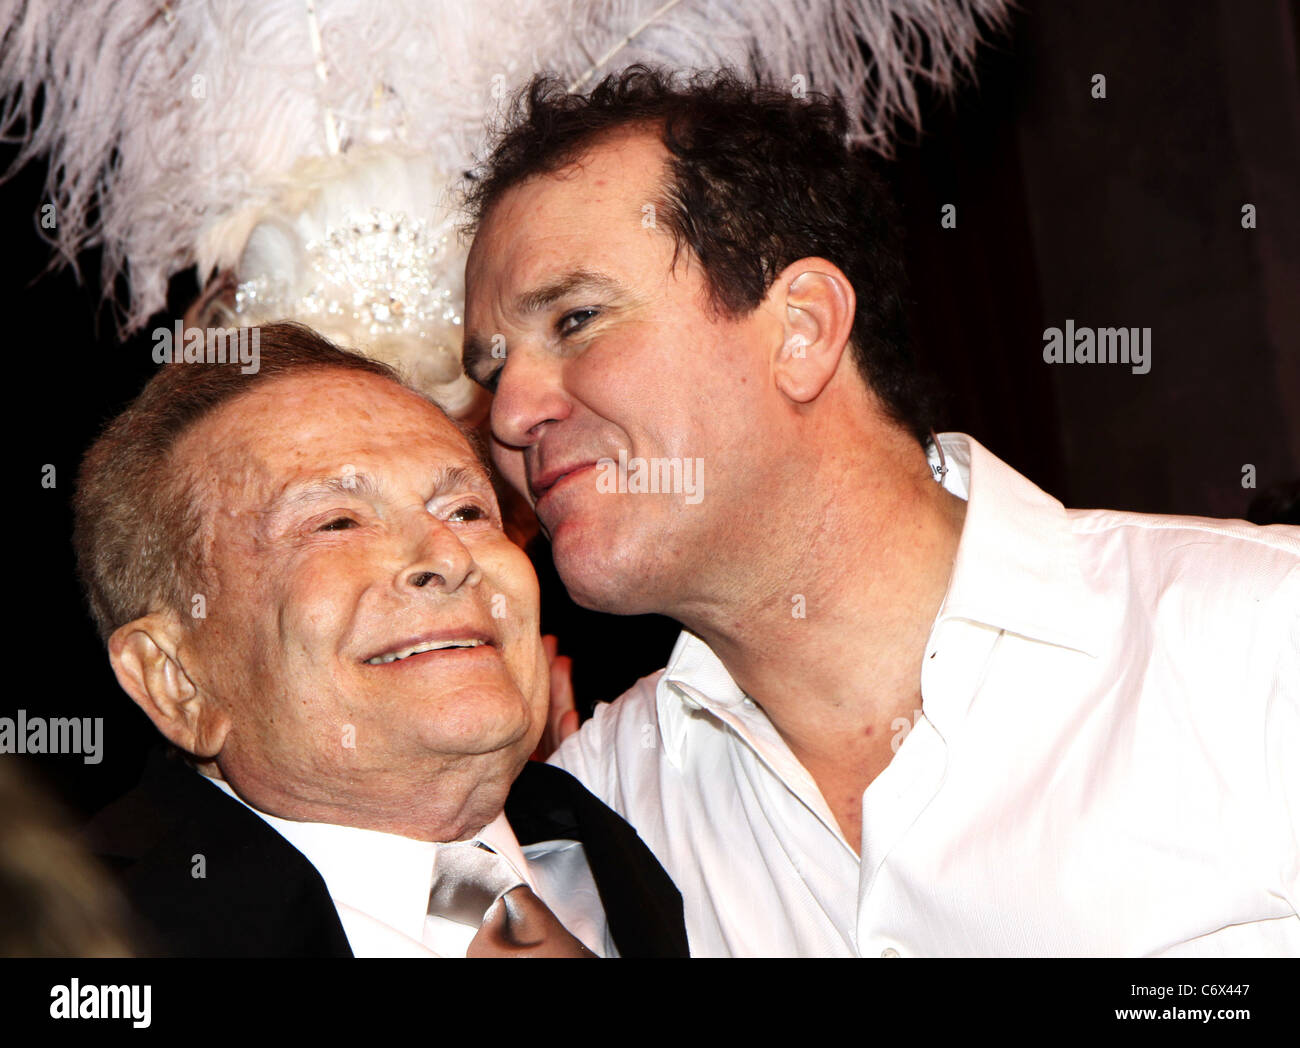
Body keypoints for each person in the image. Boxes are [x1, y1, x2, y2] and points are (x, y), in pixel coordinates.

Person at [460, 66, 1300, 956]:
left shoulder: (1257, 641)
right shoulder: (599, 809)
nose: (512, 415)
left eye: (579, 318)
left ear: (804, 330)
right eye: (490, 371)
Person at [72, 321, 687, 958]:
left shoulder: (664, 824)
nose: (447, 555)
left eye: (467, 511)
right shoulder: (93, 947)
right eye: (335, 523)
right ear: (178, 682)